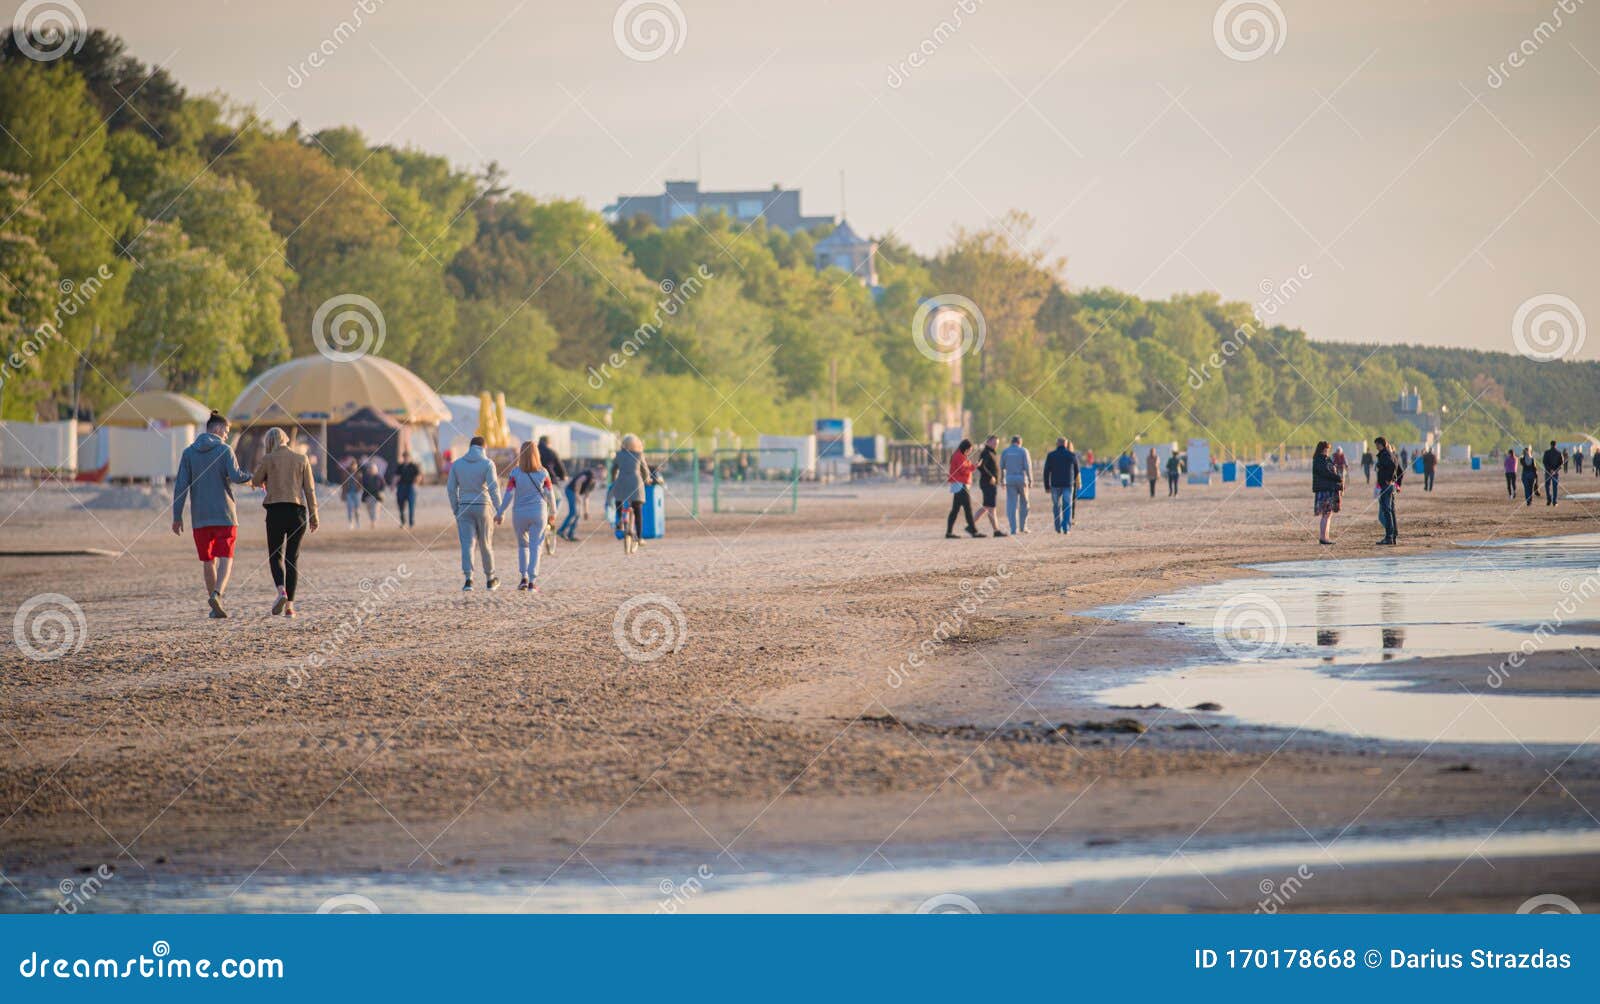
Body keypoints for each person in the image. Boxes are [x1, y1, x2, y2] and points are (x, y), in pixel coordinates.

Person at [170, 411, 253, 618]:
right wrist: (253, 478)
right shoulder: (225, 450)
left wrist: (177, 515)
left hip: (200, 519)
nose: (226, 436)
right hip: (225, 515)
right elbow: (235, 476)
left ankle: (215, 607)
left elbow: (181, 486)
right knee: (226, 557)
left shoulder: (188, 453)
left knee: (208, 561)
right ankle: (217, 594)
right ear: (217, 429)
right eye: (226, 432)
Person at [251, 427, 319, 617]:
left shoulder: (268, 459)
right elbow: (310, 490)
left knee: (275, 555)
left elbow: (255, 481)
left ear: (269, 442)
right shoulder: (302, 459)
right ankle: (290, 606)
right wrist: (314, 515)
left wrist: (264, 478)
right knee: (292, 558)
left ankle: (281, 590)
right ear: (285, 440)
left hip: (275, 512)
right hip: (297, 513)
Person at [495, 441, 555, 592]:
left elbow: (509, 494)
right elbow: (550, 495)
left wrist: (500, 512)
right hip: (538, 513)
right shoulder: (543, 473)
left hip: (519, 513)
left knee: (523, 546)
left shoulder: (515, 473)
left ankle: (523, 578)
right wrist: (553, 513)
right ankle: (532, 582)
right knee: (536, 546)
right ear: (537, 454)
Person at [446, 435, 501, 590]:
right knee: (485, 543)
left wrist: (456, 508)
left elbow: (451, 489)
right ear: (484, 447)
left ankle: (469, 579)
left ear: (470, 447)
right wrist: (500, 509)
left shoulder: (457, 464)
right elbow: (493, 488)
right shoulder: (488, 463)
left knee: (467, 544)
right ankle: (490, 579)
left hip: (464, 506)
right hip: (483, 506)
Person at [608, 433, 651, 546]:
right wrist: (647, 480)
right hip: (635, 483)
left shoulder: (619, 455)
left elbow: (613, 470)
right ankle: (640, 537)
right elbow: (645, 470)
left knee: (619, 500)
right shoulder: (639, 455)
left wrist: (613, 480)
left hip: (621, 481)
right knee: (638, 510)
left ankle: (620, 521)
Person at [945, 439, 981, 539]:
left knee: (956, 510)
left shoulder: (960, 455)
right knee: (967, 509)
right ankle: (973, 531)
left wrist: (973, 466)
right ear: (966, 448)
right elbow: (962, 470)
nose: (970, 452)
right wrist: (974, 467)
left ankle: (949, 532)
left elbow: (965, 467)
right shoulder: (959, 456)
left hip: (959, 485)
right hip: (960, 485)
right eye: (970, 450)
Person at [1043, 438, 1080, 533]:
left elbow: (1046, 471)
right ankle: (1066, 527)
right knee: (1067, 505)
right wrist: (1077, 482)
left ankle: (1057, 526)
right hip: (1068, 484)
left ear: (1057, 444)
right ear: (1066, 444)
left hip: (1055, 484)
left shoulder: (1051, 455)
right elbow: (1077, 470)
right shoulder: (1072, 455)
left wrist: (1047, 486)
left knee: (1056, 506)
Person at [1311, 440, 1342, 545]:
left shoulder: (1325, 459)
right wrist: (1338, 478)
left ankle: (1325, 537)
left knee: (1328, 514)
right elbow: (1325, 473)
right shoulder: (1318, 460)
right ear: (1322, 449)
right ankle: (1323, 538)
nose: (1327, 451)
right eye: (1326, 449)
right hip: (1324, 490)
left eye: (1328, 449)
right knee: (1325, 514)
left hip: (1329, 489)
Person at [973, 435, 1005, 537]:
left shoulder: (991, 452)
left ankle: (996, 530)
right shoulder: (986, 453)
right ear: (988, 442)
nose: (996, 445)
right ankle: (995, 530)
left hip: (991, 483)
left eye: (997, 443)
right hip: (987, 483)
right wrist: (991, 476)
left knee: (989, 507)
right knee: (989, 507)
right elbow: (980, 466)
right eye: (994, 443)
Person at [1000, 435, 1032, 534]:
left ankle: (1013, 529)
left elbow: (1002, 467)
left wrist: (1002, 480)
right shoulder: (1023, 451)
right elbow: (1027, 466)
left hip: (1009, 479)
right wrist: (1030, 480)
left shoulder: (1005, 452)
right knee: (1024, 504)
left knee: (1011, 504)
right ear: (1019, 442)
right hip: (1021, 479)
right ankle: (1023, 527)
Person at [1374, 436, 1402, 545]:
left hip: (1387, 486)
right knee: (1391, 510)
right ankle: (1393, 535)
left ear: (1381, 444)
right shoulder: (1390, 454)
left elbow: (1392, 466)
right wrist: (1395, 482)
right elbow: (1397, 468)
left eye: (1376, 444)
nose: (1376, 447)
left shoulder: (1385, 454)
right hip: (1391, 486)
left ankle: (1389, 537)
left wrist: (1388, 479)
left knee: (1387, 511)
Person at [559, 466, 597, 541]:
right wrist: (576, 494)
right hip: (570, 491)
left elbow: (586, 497)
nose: (601, 473)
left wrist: (586, 512)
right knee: (573, 512)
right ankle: (561, 531)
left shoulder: (593, 483)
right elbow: (579, 481)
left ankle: (571, 534)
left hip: (575, 493)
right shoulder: (590, 474)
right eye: (599, 471)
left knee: (578, 514)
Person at [391, 451, 420, 527]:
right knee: (400, 505)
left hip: (410, 487)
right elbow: (396, 477)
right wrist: (393, 485)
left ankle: (411, 522)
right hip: (401, 487)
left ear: (409, 458)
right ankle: (402, 521)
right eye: (404, 457)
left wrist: (415, 484)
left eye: (407, 457)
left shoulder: (414, 466)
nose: (406, 458)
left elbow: (418, 476)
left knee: (411, 505)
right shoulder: (400, 466)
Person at [339, 456, 362, 528]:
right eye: (352, 465)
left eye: (355, 465)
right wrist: (343, 494)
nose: (353, 466)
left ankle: (358, 523)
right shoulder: (346, 473)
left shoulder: (359, 474)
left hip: (357, 493)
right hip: (348, 493)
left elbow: (361, 484)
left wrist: (360, 490)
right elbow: (344, 484)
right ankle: (350, 523)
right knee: (349, 508)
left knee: (357, 509)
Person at [1542, 440, 1563, 505]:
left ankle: (1549, 499)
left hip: (1548, 472)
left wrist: (1549, 469)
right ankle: (1554, 501)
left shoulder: (1546, 452)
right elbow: (1561, 463)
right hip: (1555, 473)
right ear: (1555, 445)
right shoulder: (1559, 453)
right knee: (1555, 487)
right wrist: (1555, 470)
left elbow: (1544, 462)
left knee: (1547, 486)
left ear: (1550, 444)